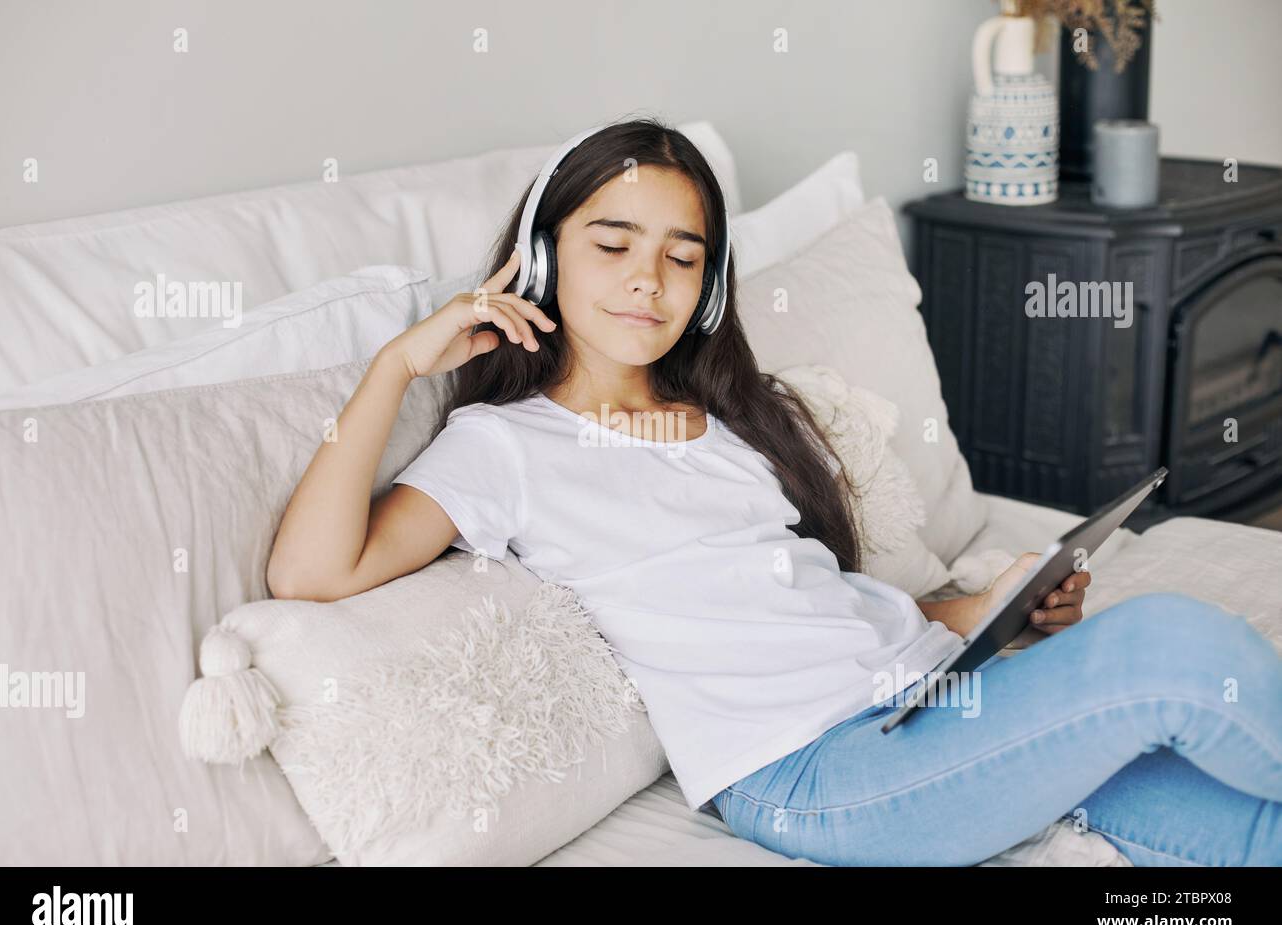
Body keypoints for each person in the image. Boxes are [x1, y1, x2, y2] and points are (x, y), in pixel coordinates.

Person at [266, 117, 1282, 867]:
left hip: (925, 701)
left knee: (1237, 822)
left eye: (682, 255)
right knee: (1171, 648)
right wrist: (396, 366)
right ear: (539, 258)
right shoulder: (505, 447)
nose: (647, 280)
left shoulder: (734, 420)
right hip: (820, 777)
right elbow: (312, 570)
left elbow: (817, 618)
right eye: (612, 244)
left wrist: (992, 611)